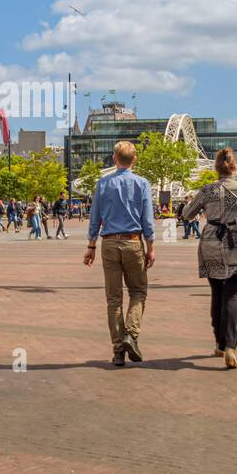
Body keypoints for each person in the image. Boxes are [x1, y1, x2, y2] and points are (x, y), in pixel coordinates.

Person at [180, 148, 237, 370]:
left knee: (217, 293)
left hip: (211, 243)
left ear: (216, 167)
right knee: (232, 296)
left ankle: (219, 343)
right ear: (234, 167)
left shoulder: (207, 190)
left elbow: (187, 214)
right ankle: (231, 347)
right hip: (236, 244)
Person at [83, 140, 154, 368]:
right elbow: (148, 220)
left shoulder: (103, 184)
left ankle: (117, 351)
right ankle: (131, 335)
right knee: (138, 291)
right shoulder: (142, 184)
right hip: (133, 242)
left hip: (109, 243)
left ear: (114, 159)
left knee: (113, 299)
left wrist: (91, 246)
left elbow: (95, 218)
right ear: (134, 159)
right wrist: (150, 247)